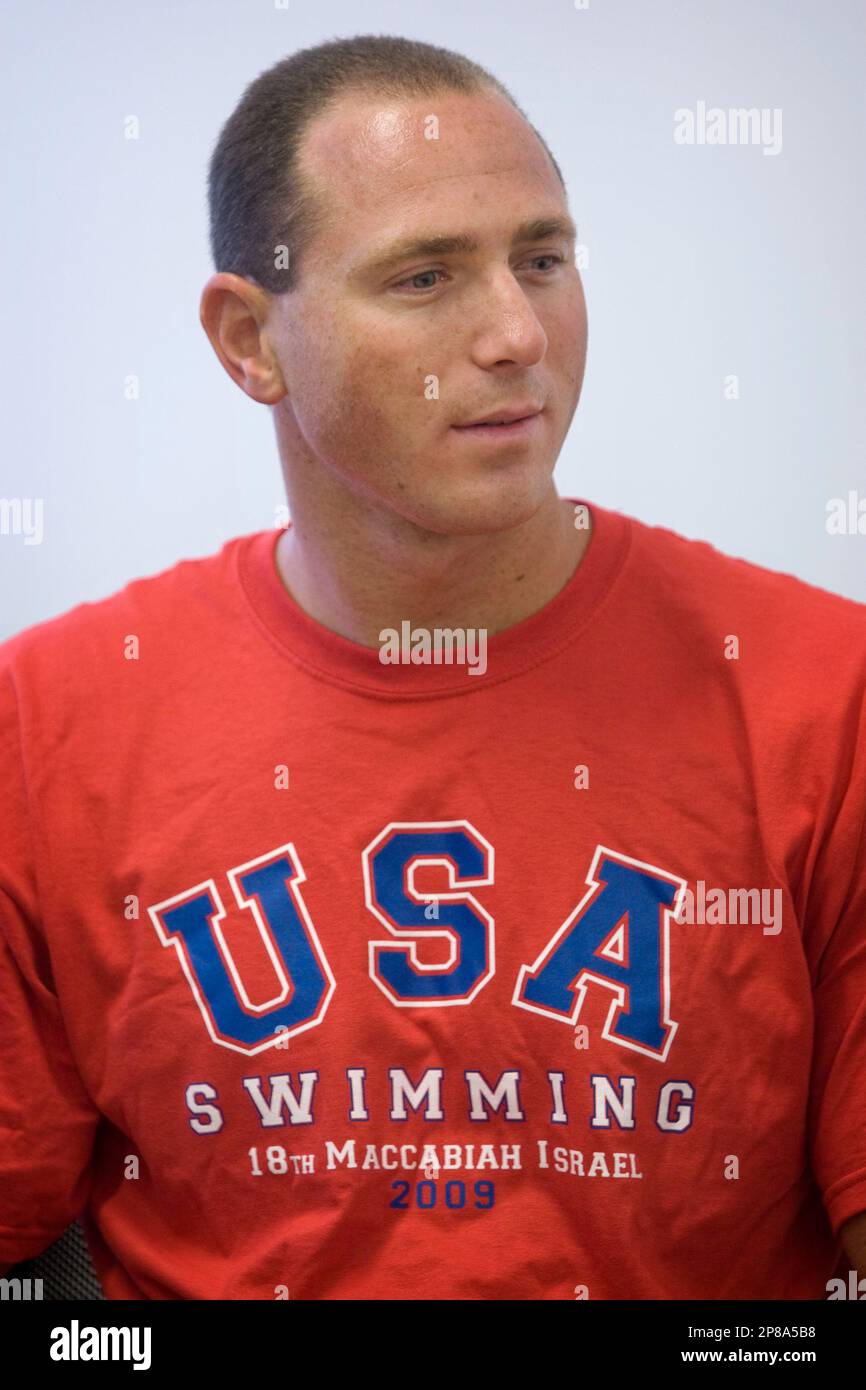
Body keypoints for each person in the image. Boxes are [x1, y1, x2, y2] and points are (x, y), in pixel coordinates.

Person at [1, 33, 864, 1301]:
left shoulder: (823, 692)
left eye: (541, 260)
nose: (517, 333)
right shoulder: (44, 728)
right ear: (249, 340)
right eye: (423, 278)